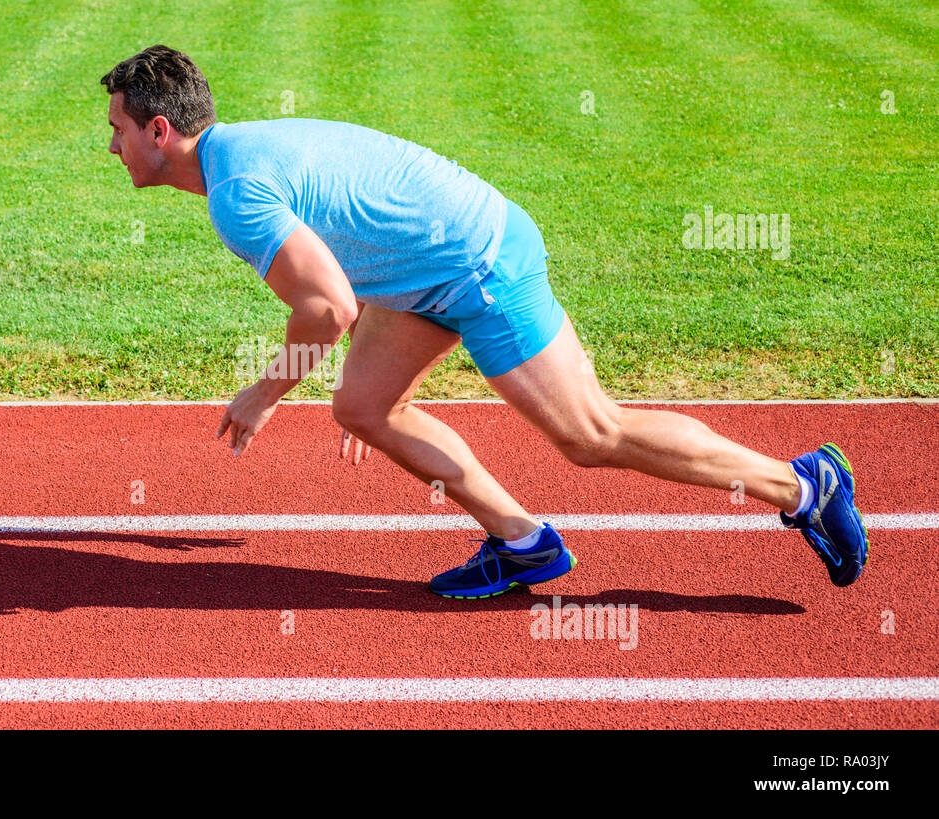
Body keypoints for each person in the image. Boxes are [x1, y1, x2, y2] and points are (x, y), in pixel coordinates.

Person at [100, 44, 869, 597]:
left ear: (160, 130)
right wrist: (369, 353)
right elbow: (354, 238)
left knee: (590, 435)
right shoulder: (243, 154)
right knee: (365, 405)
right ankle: (523, 543)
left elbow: (326, 305)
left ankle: (804, 486)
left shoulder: (236, 194)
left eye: (120, 129)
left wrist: (264, 393)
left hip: (480, 261)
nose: (114, 145)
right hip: (427, 268)